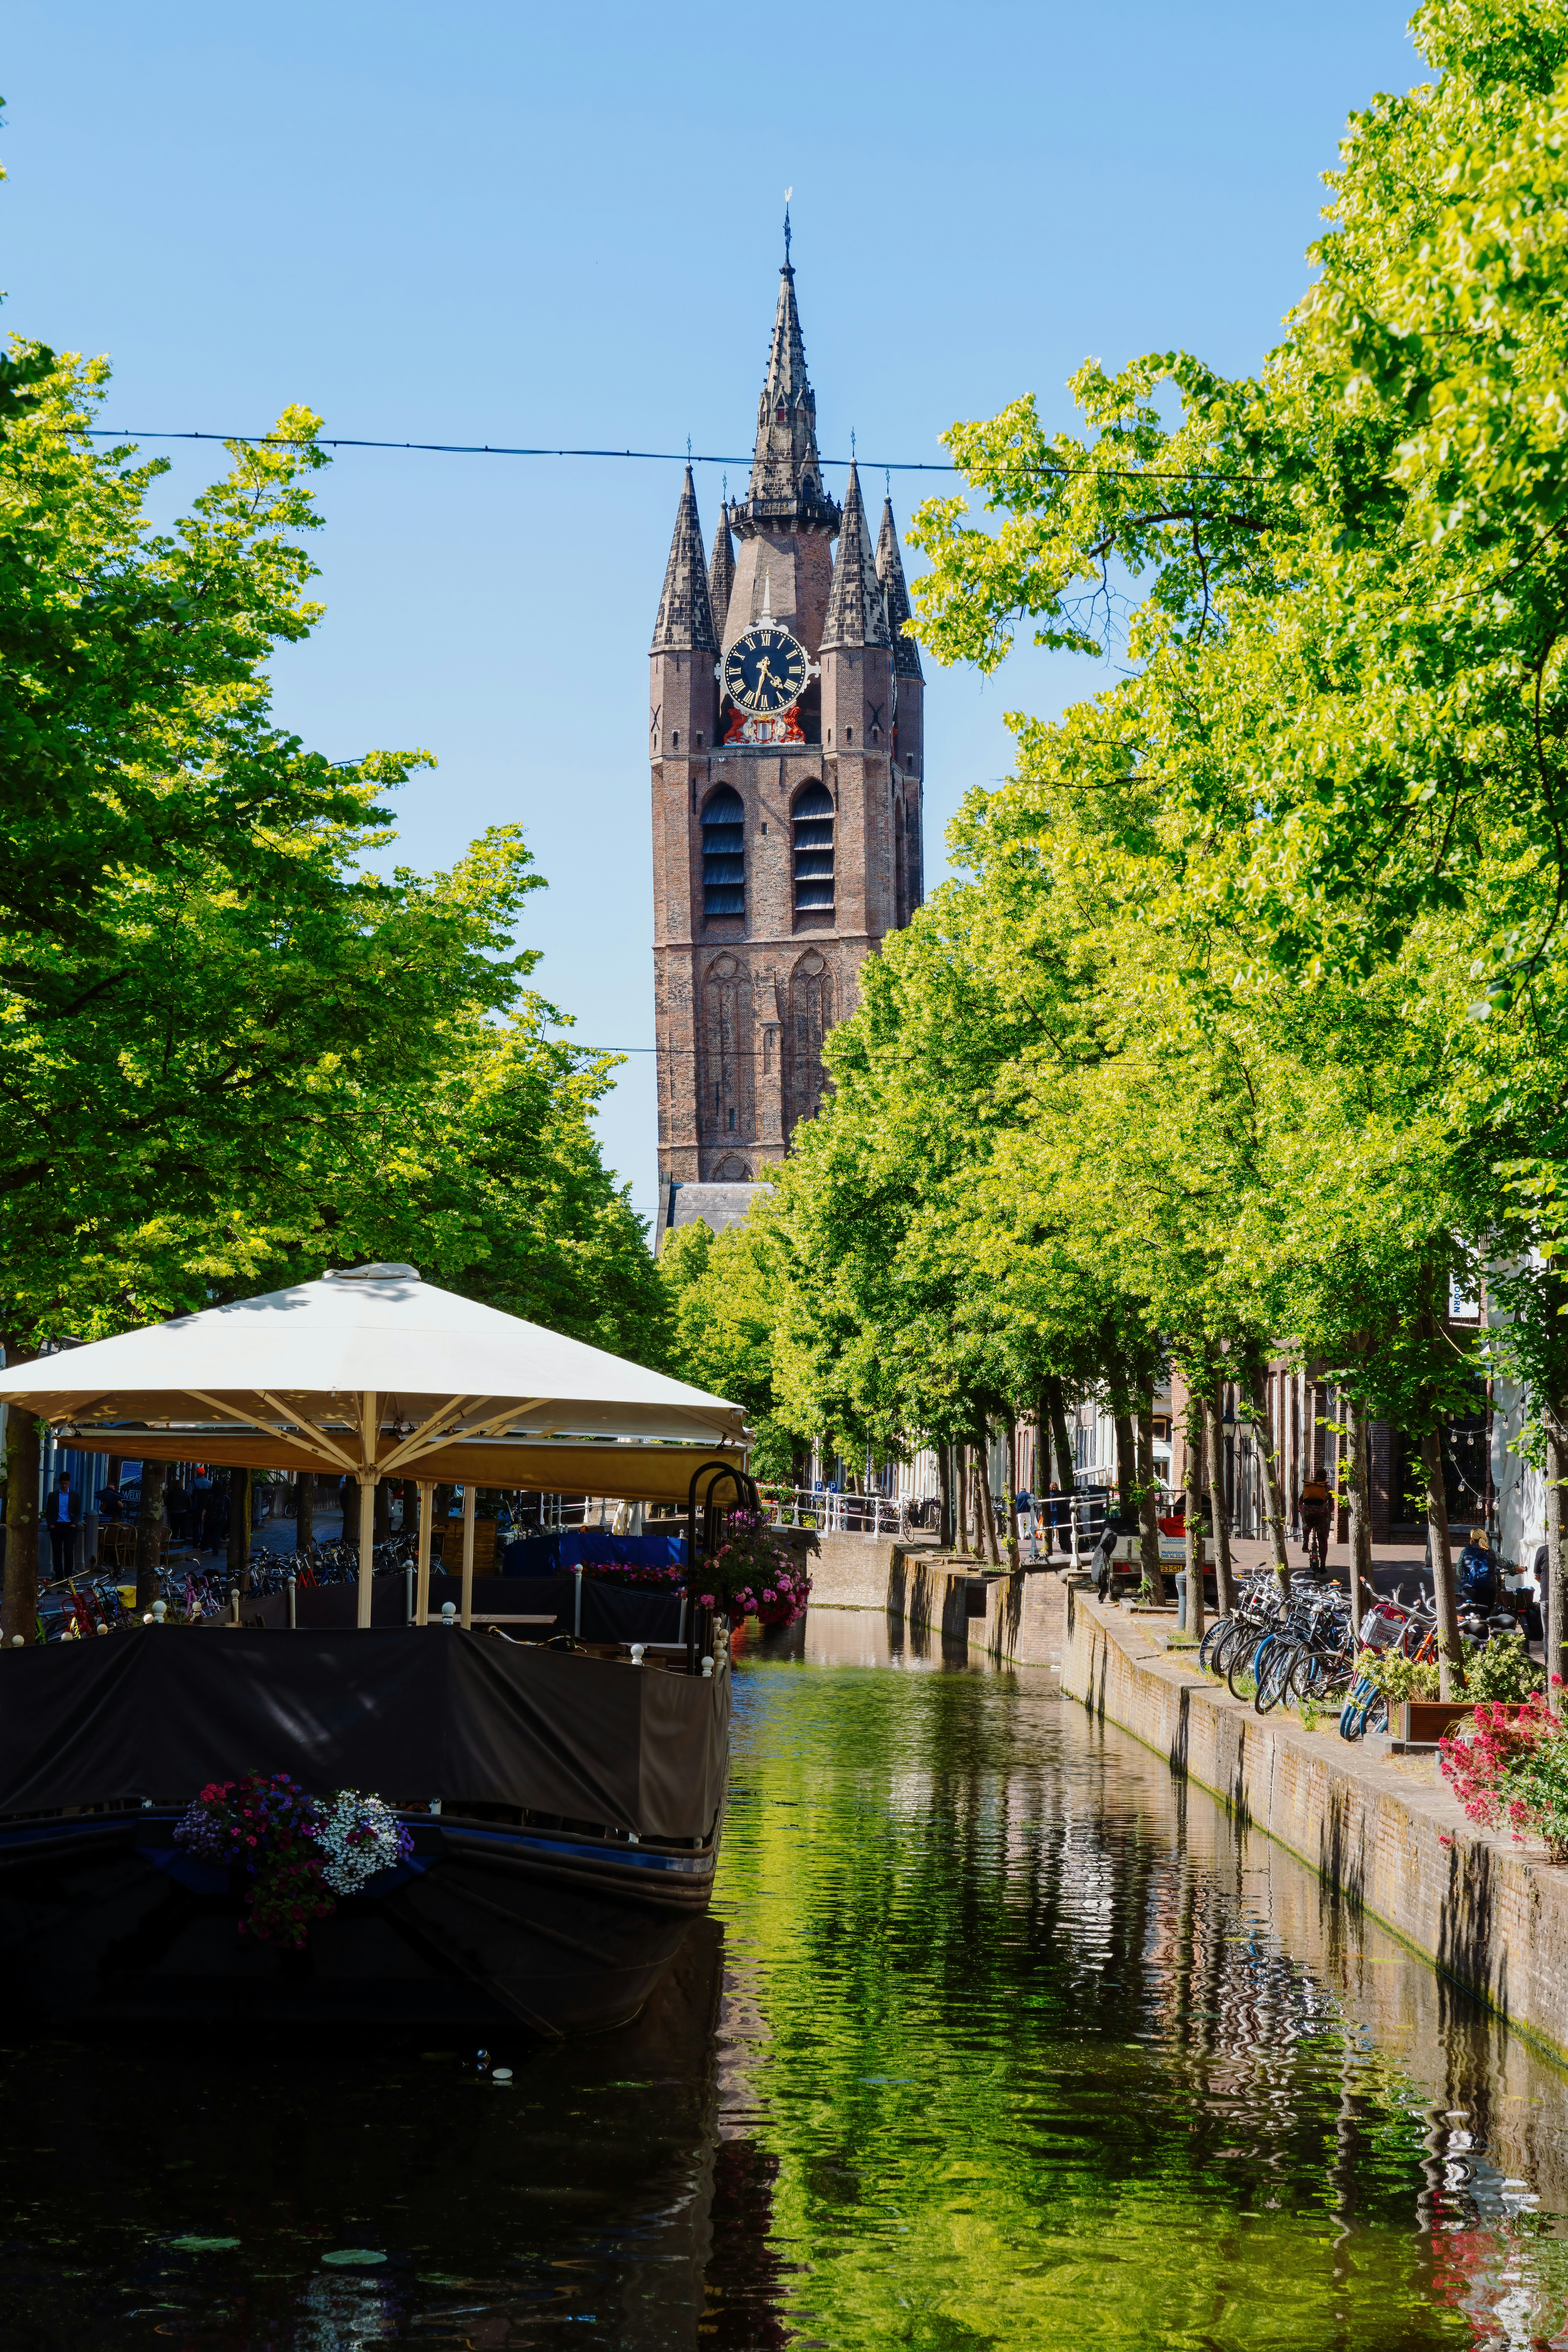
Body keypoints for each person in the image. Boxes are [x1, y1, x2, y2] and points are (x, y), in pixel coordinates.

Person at [45, 1472, 81, 1580]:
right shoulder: (53, 1496)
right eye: (63, 1484)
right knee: (57, 1553)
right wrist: (51, 1524)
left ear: (70, 1483)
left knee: (69, 1551)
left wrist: (75, 1524)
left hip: (70, 1527)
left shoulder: (75, 1496)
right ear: (59, 1483)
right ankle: (60, 1577)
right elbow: (49, 1512)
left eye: (66, 1484)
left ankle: (69, 1576)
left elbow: (77, 1511)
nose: (65, 1486)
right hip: (57, 1526)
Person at [1298, 1470, 1333, 1577]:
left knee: (1307, 1525)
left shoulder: (1309, 1487)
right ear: (1325, 1477)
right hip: (1322, 1514)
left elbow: (1300, 1502)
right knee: (1323, 1540)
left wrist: (1302, 1512)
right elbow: (1332, 1506)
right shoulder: (1328, 1489)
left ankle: (1306, 1540)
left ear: (1316, 1477)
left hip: (1308, 1512)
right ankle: (1323, 1567)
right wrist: (1328, 1513)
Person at [1458, 1527, 1498, 1612]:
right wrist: (1520, 1569)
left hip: (1469, 1590)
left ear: (1472, 1539)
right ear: (1485, 1539)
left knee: (1468, 1619)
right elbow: (1508, 1564)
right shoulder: (1492, 1552)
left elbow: (1459, 1572)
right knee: (1486, 1619)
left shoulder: (1465, 1551)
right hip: (1489, 1590)